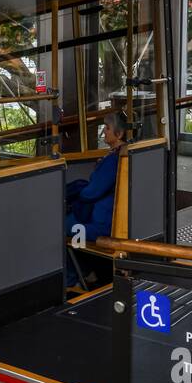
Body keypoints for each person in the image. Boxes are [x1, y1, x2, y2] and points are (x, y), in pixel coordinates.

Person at [64, 110, 129, 285]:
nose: (104, 132)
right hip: (107, 221)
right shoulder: (119, 155)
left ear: (119, 133)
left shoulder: (113, 160)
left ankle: (76, 277)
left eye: (107, 128)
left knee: (59, 228)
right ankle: (86, 272)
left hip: (101, 226)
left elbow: (90, 192)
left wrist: (80, 190)